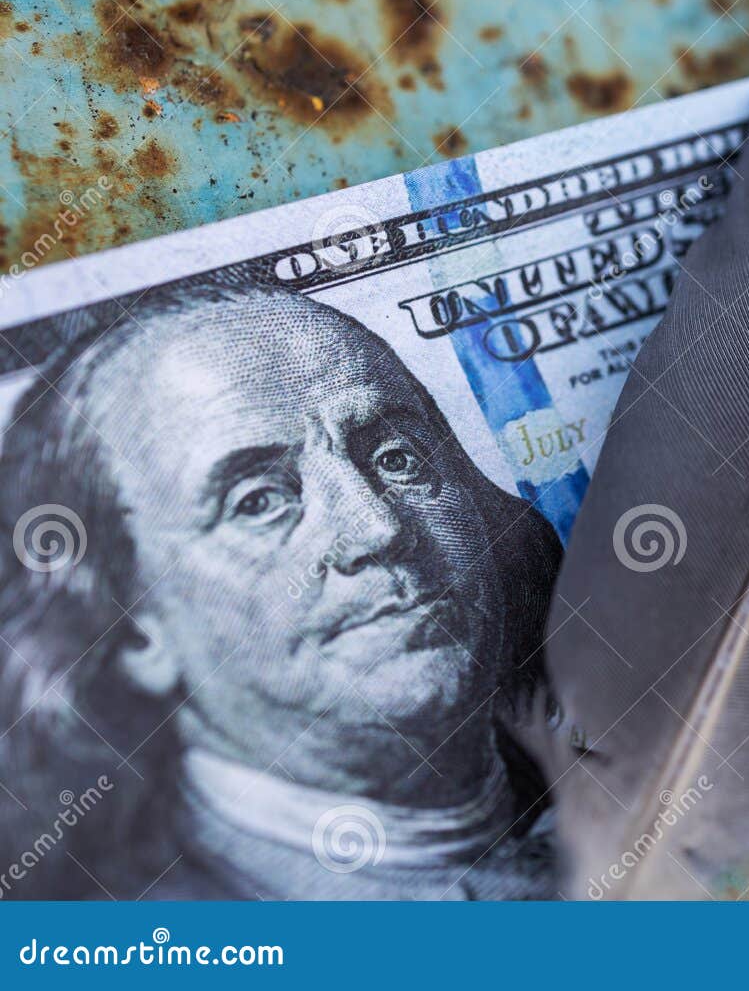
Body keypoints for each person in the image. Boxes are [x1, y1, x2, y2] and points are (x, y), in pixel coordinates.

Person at [0, 282, 564, 898]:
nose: (377, 527)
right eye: (259, 501)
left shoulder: (613, 768)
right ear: (132, 627)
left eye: (396, 458)